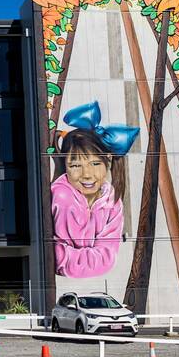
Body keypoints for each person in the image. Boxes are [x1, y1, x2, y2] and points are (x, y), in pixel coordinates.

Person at [50, 101, 138, 279]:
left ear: (109, 160)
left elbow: (106, 259)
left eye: (95, 163)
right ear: (65, 165)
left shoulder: (112, 201)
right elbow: (53, 256)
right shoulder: (61, 196)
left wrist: (68, 256)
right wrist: (85, 256)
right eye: (75, 165)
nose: (87, 174)